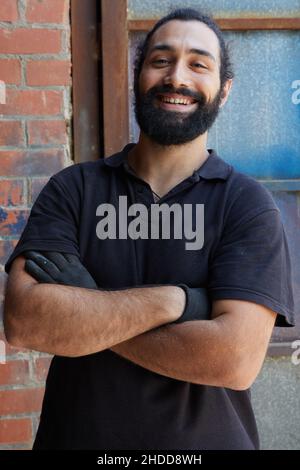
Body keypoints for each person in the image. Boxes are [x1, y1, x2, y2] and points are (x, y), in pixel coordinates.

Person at [3, 8, 295, 450]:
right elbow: (27, 322)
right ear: (137, 74)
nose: (176, 77)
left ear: (225, 90)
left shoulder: (246, 206)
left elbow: (233, 359)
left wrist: (90, 309)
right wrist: (177, 301)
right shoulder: (75, 189)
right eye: (161, 60)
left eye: (199, 64)